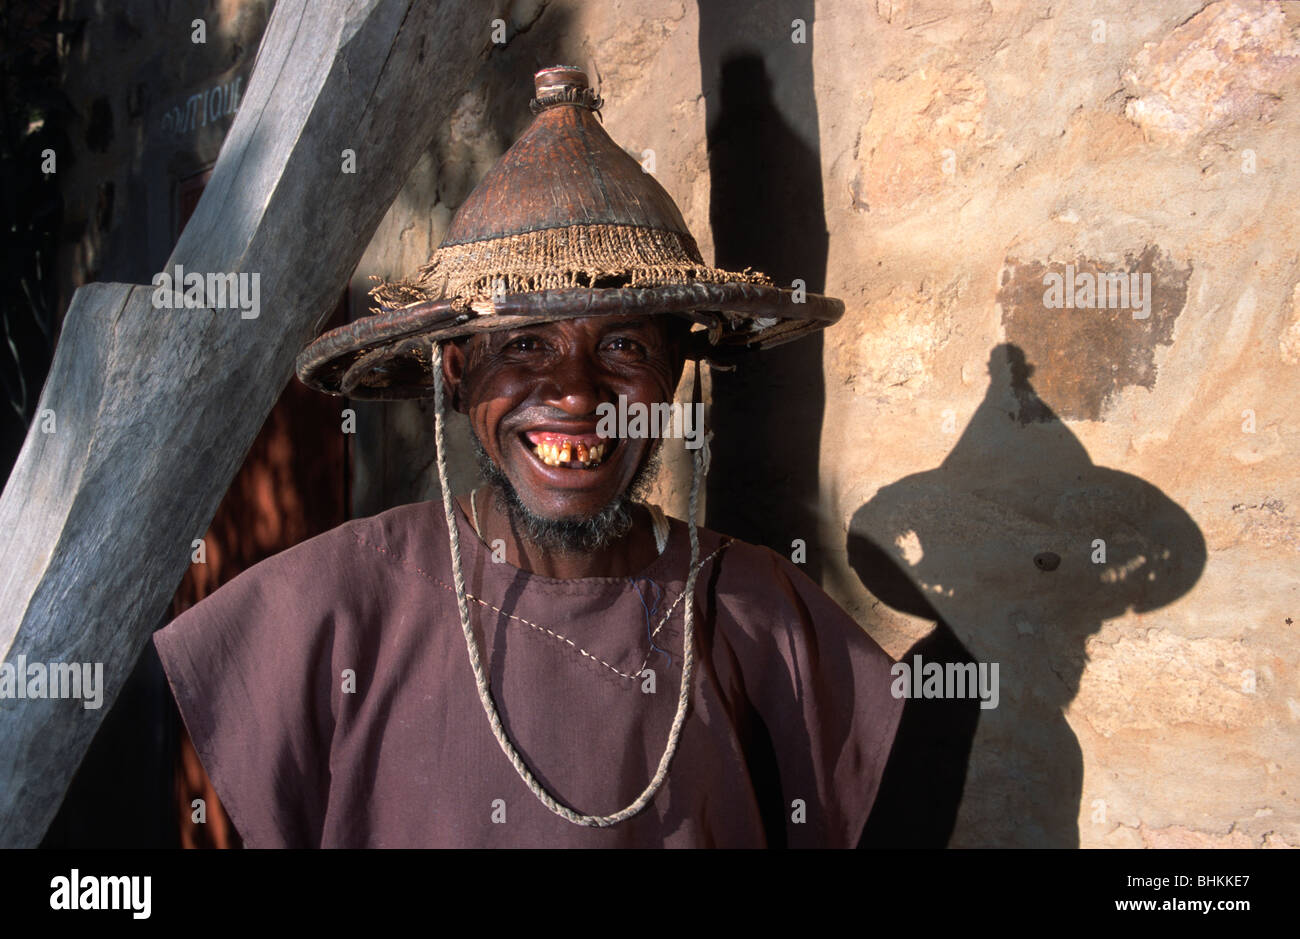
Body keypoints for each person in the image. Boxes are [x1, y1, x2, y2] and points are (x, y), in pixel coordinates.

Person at [154, 66, 904, 847]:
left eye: (621, 344)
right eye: (524, 343)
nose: (577, 394)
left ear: (673, 369)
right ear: (454, 369)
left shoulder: (758, 609)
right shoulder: (330, 606)